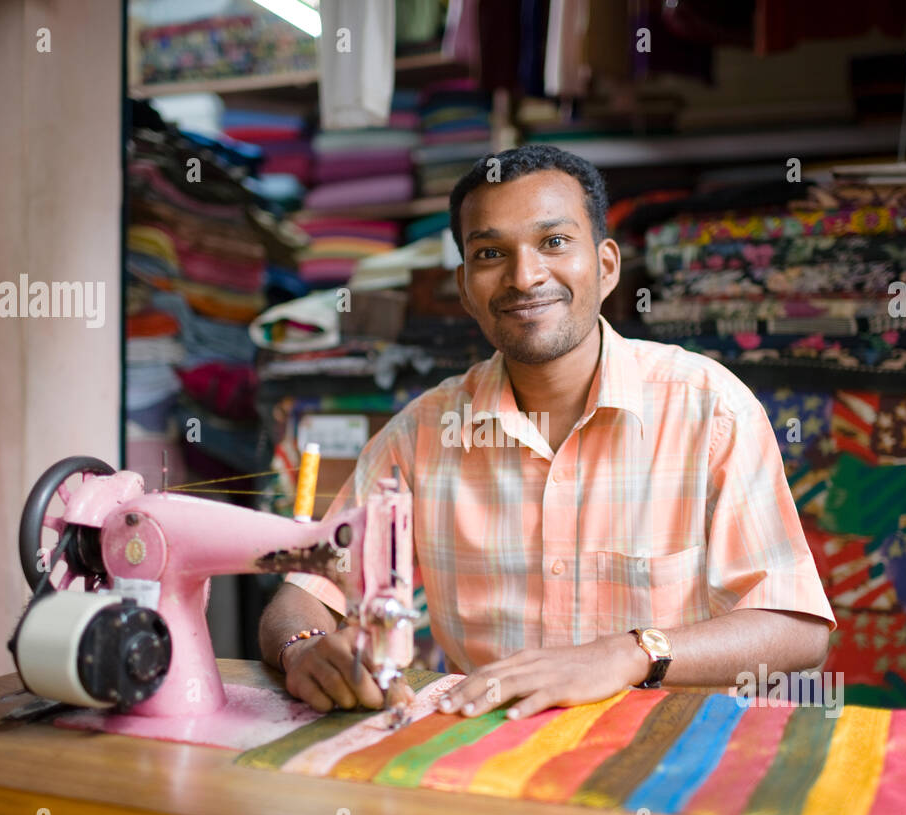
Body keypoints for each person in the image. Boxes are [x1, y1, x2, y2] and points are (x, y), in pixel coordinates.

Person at [260, 144, 835, 720]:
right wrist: (302, 651)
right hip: (484, 754)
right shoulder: (422, 436)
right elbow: (305, 592)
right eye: (490, 253)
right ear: (465, 288)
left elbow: (796, 629)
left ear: (607, 266)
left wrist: (631, 653)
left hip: (668, 758)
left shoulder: (710, 410)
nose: (525, 276)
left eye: (554, 242)